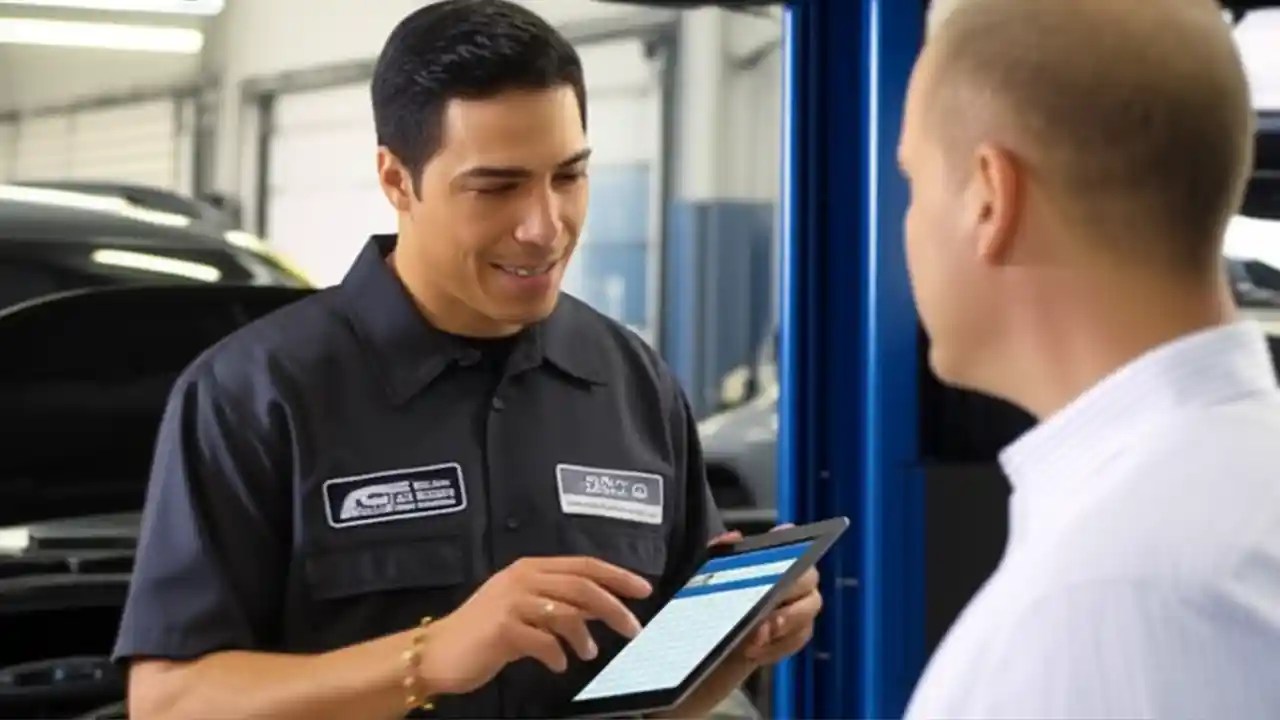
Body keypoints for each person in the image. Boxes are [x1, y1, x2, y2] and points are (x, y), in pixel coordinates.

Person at [113, 1, 822, 718]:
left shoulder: (632, 382)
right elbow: (169, 703)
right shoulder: (255, 394)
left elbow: (657, 702)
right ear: (397, 180)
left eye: (568, 177)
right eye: (497, 187)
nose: (545, 226)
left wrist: (738, 645)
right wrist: (429, 657)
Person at [898, 0, 1280, 717]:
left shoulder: (1108, 602)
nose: (908, 225)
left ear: (989, 198)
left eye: (913, 182)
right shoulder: (1233, 491)